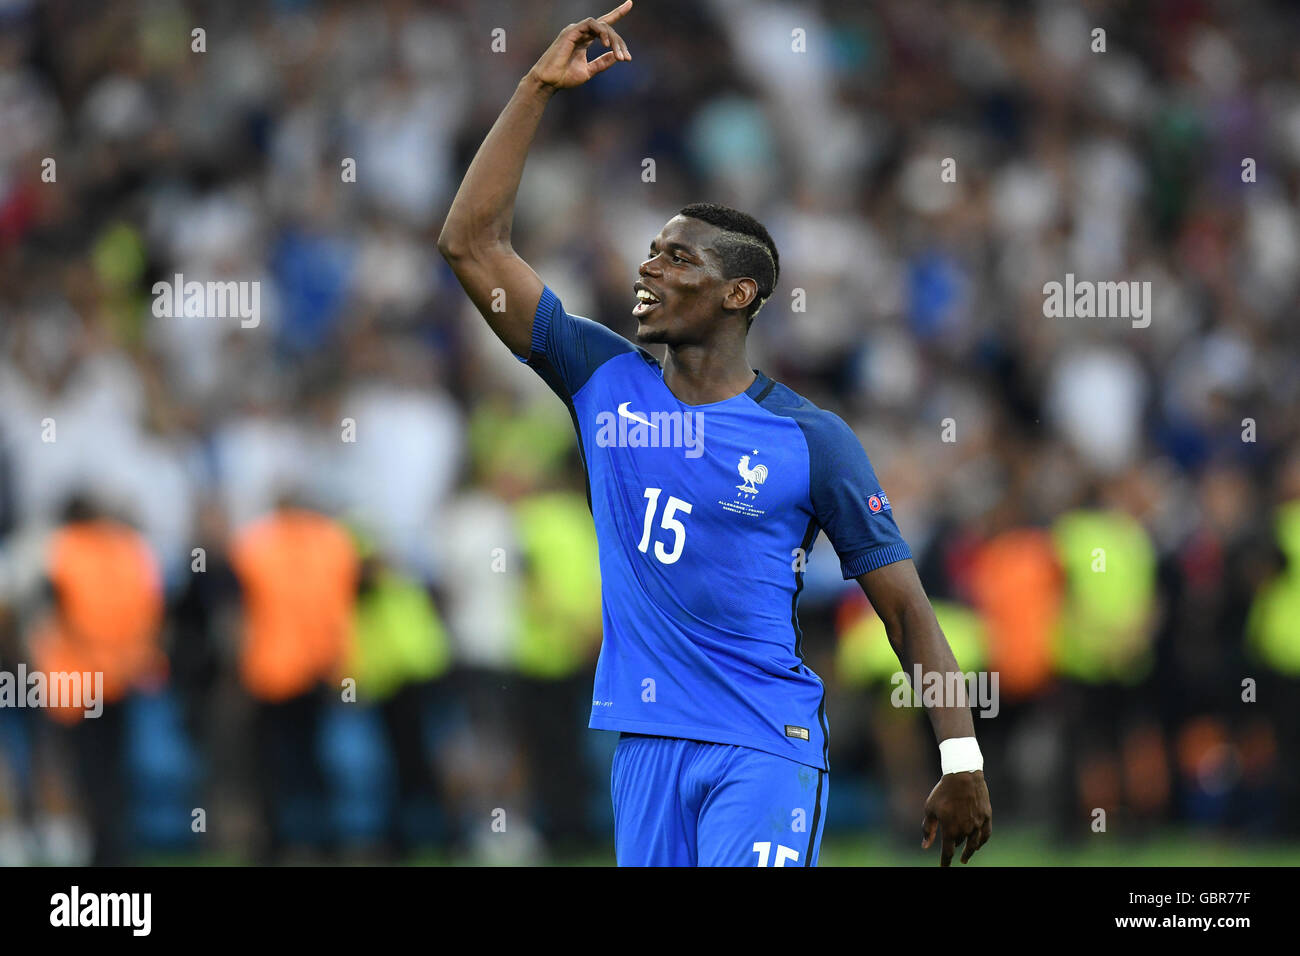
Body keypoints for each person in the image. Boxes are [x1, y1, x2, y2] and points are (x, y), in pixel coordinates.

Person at [437, 0, 991, 866]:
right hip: (646, 747)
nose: (649, 268)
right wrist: (538, 87)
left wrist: (960, 757)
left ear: (740, 295)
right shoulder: (598, 376)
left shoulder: (811, 439)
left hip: (764, 748)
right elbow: (470, 243)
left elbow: (908, 612)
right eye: (652, 250)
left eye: (678, 257)